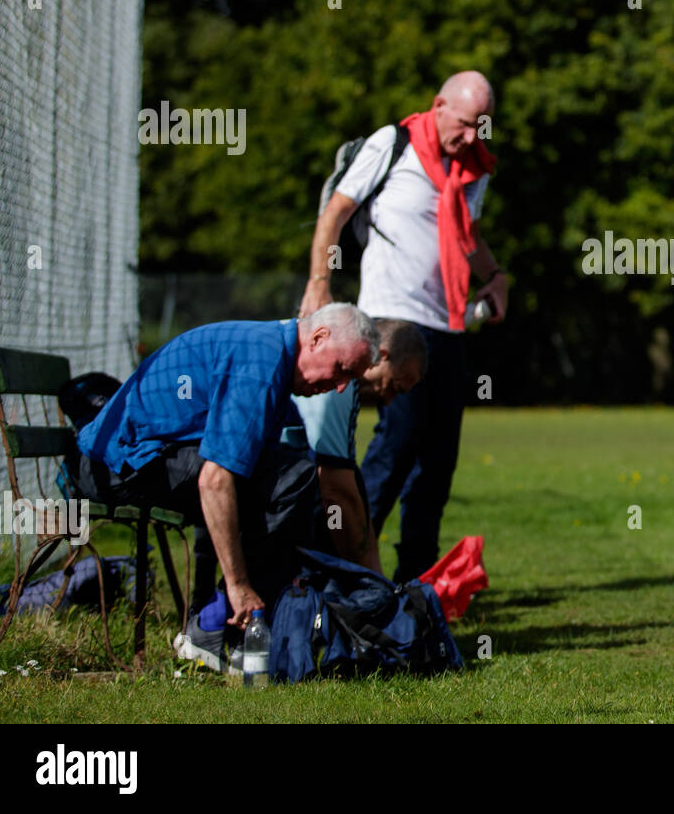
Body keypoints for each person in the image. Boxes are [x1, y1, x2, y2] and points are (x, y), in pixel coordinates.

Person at [74, 304, 379, 669]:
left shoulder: (274, 358)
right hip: (113, 469)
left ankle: (229, 627)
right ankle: (221, 623)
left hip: (143, 459)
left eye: (352, 380)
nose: (341, 386)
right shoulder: (262, 365)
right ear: (318, 338)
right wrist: (238, 584)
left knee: (290, 477)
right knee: (284, 478)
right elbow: (215, 481)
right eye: (343, 369)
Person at [299, 71, 508, 583]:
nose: (471, 137)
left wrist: (496, 277)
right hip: (392, 318)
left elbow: (467, 238)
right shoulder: (392, 145)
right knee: (395, 448)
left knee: (437, 464)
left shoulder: (474, 170)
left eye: (482, 127)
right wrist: (319, 283)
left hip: (449, 323)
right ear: (438, 106)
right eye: (463, 125)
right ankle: (344, 569)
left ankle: (416, 582)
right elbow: (336, 211)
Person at [284, 318, 427, 573]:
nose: (389, 400)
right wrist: (364, 576)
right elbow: (335, 489)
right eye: (394, 386)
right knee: (326, 502)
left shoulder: (341, 371)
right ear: (382, 355)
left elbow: (349, 487)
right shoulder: (339, 383)